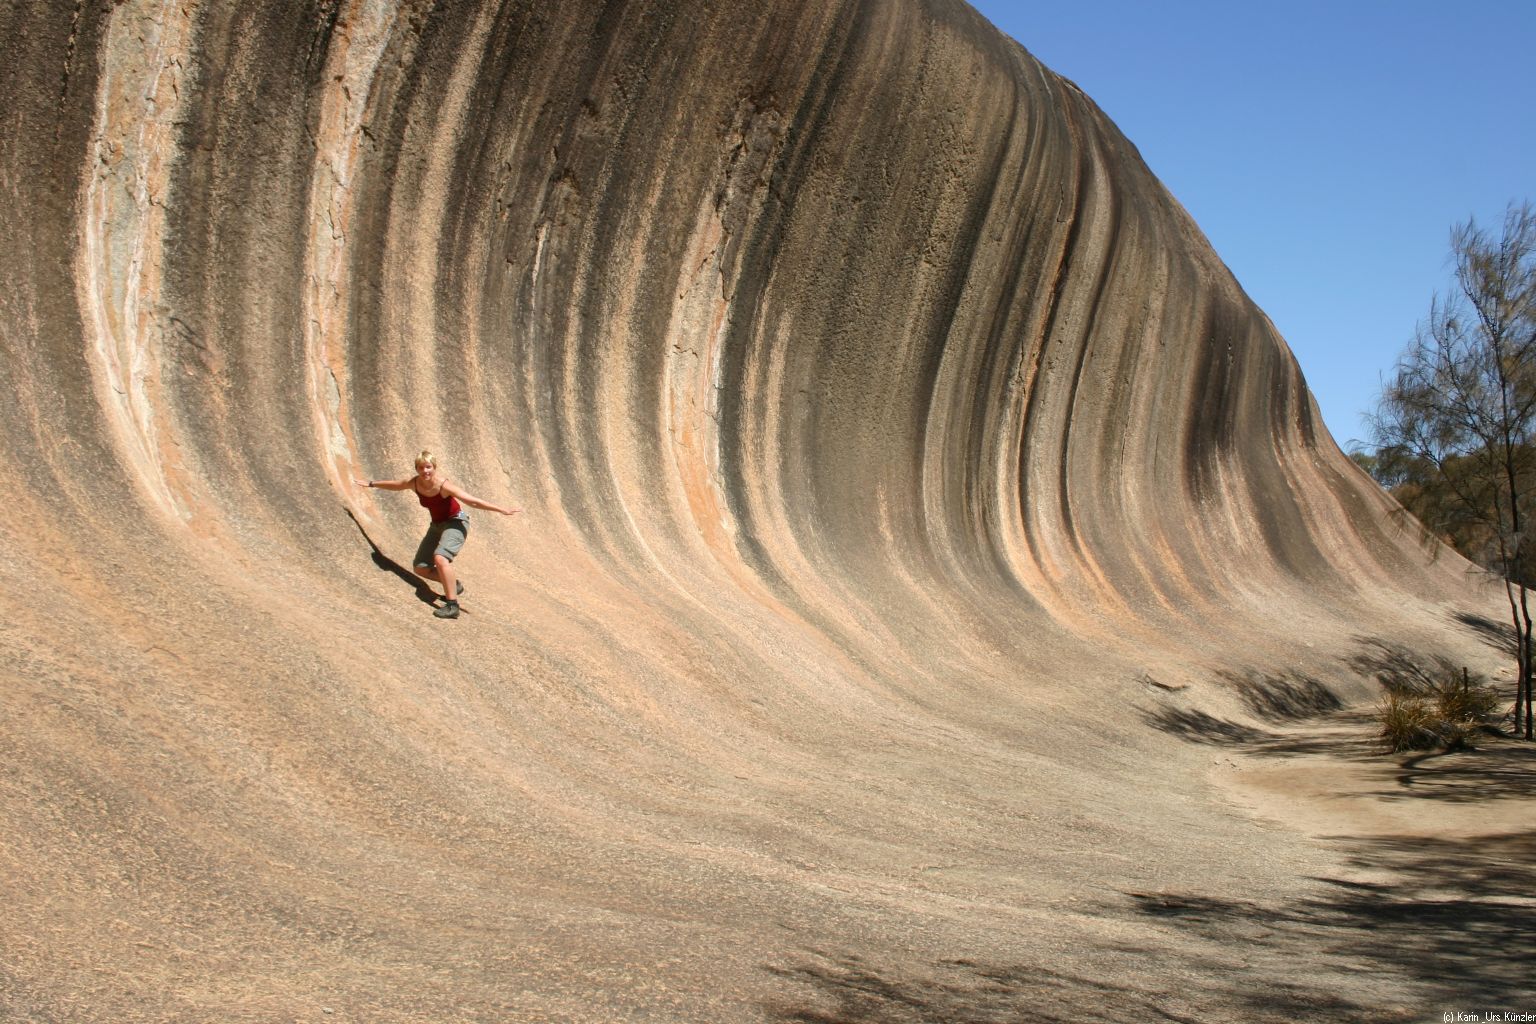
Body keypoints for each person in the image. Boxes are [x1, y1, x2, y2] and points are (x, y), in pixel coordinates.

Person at [355, 451, 519, 618]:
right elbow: (397, 485)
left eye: (428, 467)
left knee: (440, 558)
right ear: (417, 469)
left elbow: (471, 500)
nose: (425, 471)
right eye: (421, 467)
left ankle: (452, 605)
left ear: (434, 467)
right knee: (421, 568)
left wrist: (501, 509)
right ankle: (453, 584)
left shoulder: (443, 485)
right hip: (436, 526)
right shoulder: (415, 483)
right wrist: (371, 484)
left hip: (456, 522)